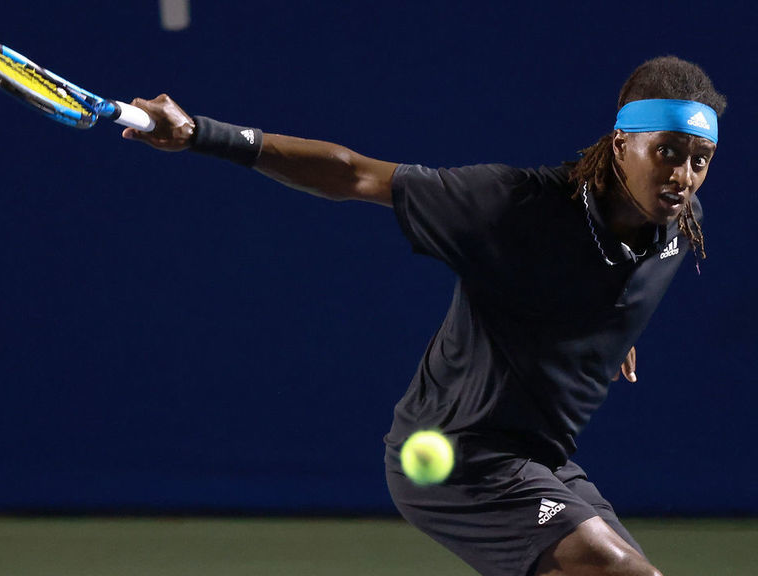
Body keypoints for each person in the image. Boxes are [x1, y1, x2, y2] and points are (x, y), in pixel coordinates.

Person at [122, 56, 726, 576]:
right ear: (622, 144)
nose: (683, 177)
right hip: (460, 458)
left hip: (541, 460)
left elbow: (602, 282)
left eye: (700, 160)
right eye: (667, 152)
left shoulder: (669, 230)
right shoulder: (515, 208)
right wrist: (203, 133)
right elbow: (353, 173)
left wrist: (604, 327)